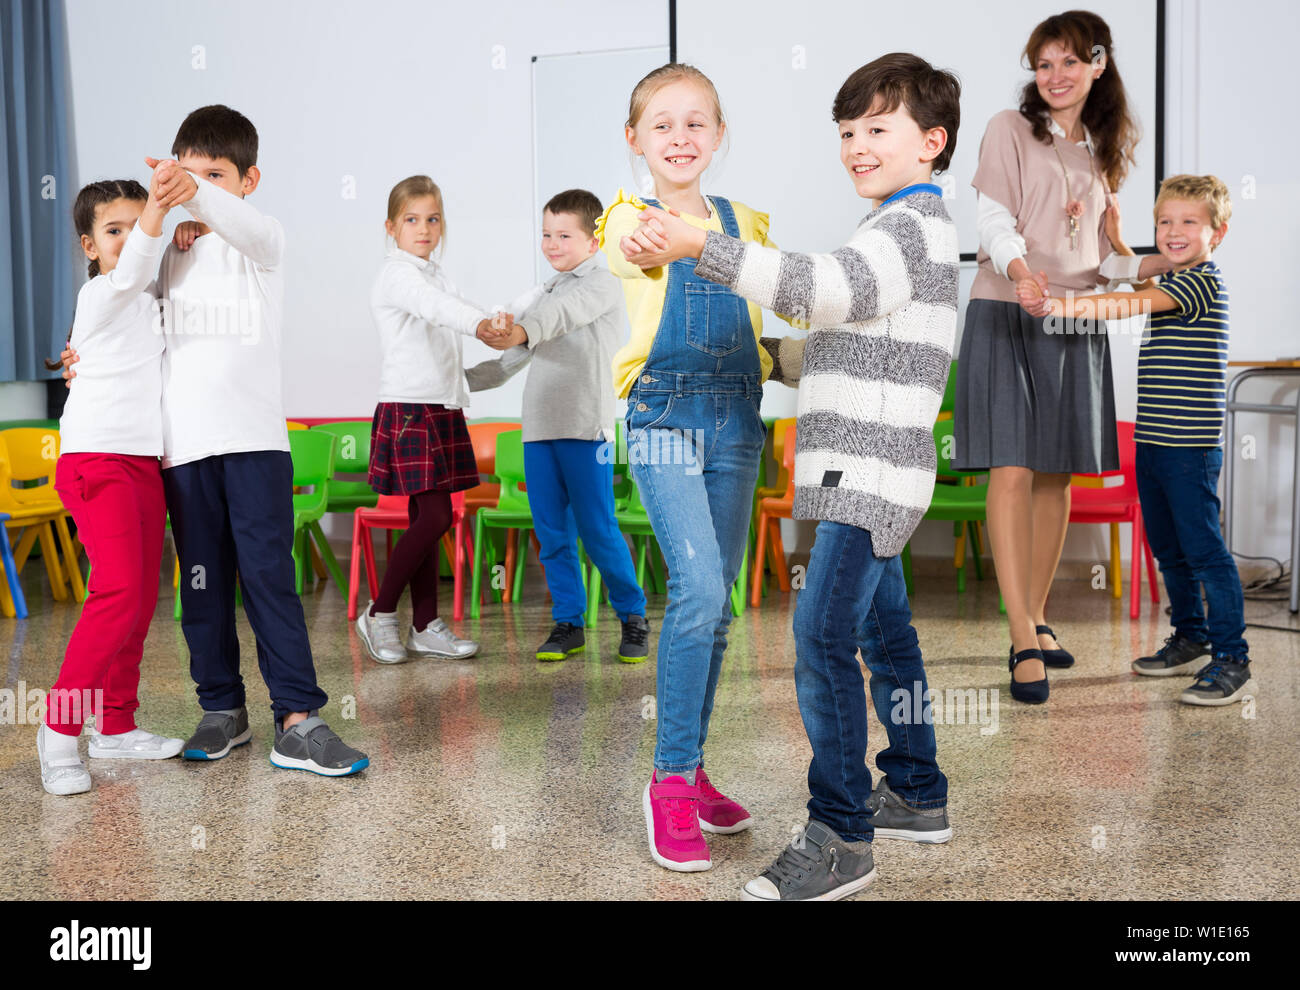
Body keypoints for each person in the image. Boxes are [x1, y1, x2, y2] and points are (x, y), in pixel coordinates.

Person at [630, 52, 960, 901]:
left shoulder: (907, 228)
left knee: (819, 638)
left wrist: (703, 243)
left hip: (866, 475)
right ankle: (918, 791)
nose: (855, 146)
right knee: (886, 636)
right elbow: (850, 337)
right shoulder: (902, 225)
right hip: (873, 471)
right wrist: (773, 356)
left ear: (931, 142)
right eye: (847, 132)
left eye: (877, 130)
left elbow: (824, 288)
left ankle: (842, 834)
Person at [600, 63, 788, 872]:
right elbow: (630, 251)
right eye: (662, 124)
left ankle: (694, 760)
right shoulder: (627, 216)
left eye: (696, 122)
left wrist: (805, 355)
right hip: (665, 414)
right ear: (635, 140)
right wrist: (652, 242)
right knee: (700, 588)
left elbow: (762, 316)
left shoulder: (748, 219)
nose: (680, 137)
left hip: (740, 416)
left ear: (719, 135)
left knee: (717, 612)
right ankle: (668, 782)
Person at [147, 105, 367, 775]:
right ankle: (221, 708)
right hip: (184, 450)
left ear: (249, 180)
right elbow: (143, 335)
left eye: (215, 174)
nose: (198, 186)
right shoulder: (172, 255)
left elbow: (239, 224)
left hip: (254, 444)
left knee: (269, 579)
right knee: (203, 588)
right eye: (187, 173)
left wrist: (197, 196)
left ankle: (296, 719)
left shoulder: (261, 240)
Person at [953, 10, 1153, 703]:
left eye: (1070, 61)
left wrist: (1143, 256)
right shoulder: (1009, 129)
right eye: (1044, 63)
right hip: (1008, 307)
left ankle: (1038, 616)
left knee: (1055, 476)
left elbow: (1102, 258)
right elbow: (992, 220)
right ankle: (1018, 638)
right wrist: (1017, 271)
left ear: (1098, 64)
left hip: (1074, 320)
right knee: (1010, 467)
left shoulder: (1100, 149)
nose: (1056, 75)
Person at [1034, 174, 1251, 706]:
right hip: (1154, 443)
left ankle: (1231, 658)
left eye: (1188, 222)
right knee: (1169, 550)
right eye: (1165, 222)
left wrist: (1064, 307)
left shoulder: (1201, 281)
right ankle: (1192, 636)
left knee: (1205, 553)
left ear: (1217, 232)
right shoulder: (1174, 281)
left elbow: (1127, 303)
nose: (1174, 231)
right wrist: (1120, 236)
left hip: (1188, 447)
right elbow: (1139, 287)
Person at [36, 177, 184, 795]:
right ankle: (59, 730)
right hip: (96, 461)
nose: (127, 240)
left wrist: (189, 233)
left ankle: (116, 725)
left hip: (143, 462)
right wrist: (162, 212)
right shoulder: (101, 292)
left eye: (135, 226)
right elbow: (137, 267)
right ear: (89, 246)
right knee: (118, 591)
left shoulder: (148, 300)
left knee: (141, 597)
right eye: (112, 230)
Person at [465, 189, 650, 663]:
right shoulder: (547, 290)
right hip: (539, 431)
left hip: (586, 430)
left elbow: (555, 318)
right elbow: (510, 359)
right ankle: (569, 622)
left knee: (599, 530)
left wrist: (522, 328)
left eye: (564, 235)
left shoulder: (601, 283)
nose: (551, 243)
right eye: (546, 234)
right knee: (551, 533)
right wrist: (454, 385)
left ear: (593, 241)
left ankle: (633, 616)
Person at [355, 174, 516, 665]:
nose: (423, 228)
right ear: (391, 227)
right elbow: (438, 309)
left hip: (441, 407)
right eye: (411, 219)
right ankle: (379, 613)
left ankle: (424, 625)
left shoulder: (437, 275)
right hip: (409, 409)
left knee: (428, 519)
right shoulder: (398, 275)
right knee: (439, 516)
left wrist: (512, 348)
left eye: (432, 219)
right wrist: (482, 323)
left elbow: (450, 331)